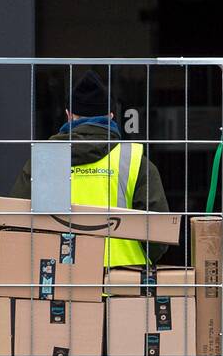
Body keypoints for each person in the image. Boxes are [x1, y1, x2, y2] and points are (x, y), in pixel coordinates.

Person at [10, 69, 169, 267]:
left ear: (68, 116)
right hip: (122, 283)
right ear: (111, 115)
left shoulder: (46, 159)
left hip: (60, 281)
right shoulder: (135, 161)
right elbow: (159, 236)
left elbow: (15, 222)